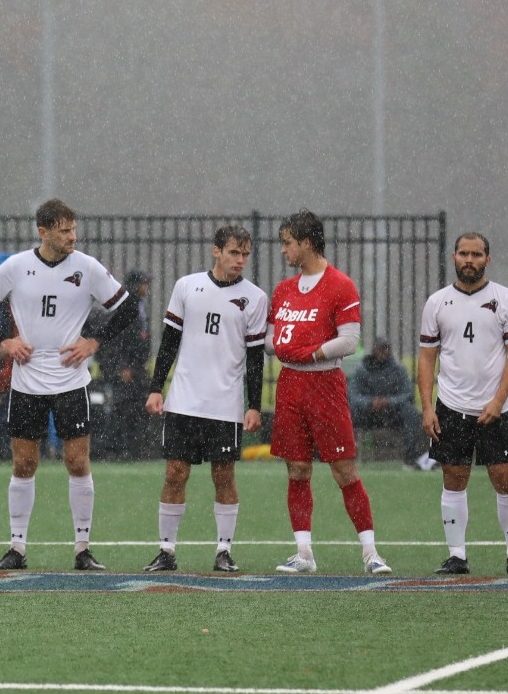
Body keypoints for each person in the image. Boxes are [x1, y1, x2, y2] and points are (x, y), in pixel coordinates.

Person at [0, 197, 137, 571]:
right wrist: (6, 340)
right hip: (27, 383)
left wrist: (93, 341)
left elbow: (127, 308)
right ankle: (17, 548)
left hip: (71, 382)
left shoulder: (87, 268)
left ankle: (82, 548)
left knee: (77, 462)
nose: (72, 236)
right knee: (24, 464)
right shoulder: (17, 267)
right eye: (64, 231)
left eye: (74, 229)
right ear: (43, 232)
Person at [266, 208, 391, 575]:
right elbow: (276, 341)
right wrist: (277, 348)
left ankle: (370, 553)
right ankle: (303, 553)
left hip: (325, 384)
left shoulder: (340, 285)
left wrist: (314, 352)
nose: (284, 251)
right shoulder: (284, 290)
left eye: (287, 243)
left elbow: (350, 340)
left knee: (344, 470)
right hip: (290, 384)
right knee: (298, 468)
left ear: (306, 242)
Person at [141, 225, 268, 573]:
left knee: (223, 476)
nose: (240, 260)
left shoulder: (255, 298)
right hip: (183, 400)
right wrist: (156, 387)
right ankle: (166, 551)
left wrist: (253, 404)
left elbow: (256, 357)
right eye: (233, 253)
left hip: (225, 405)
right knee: (174, 473)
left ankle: (223, 551)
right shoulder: (187, 286)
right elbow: (169, 342)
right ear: (216, 251)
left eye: (245, 254)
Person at [417, 232, 508, 575]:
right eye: (464, 254)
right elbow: (426, 359)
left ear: (488, 259)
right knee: (454, 476)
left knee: (504, 477)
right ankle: (457, 555)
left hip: (494, 408)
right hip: (450, 406)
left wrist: (498, 401)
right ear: (453, 257)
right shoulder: (437, 302)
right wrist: (427, 406)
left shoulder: (506, 299)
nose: (470, 260)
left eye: (477, 254)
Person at [94, 268, 153, 460]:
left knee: (136, 408)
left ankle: (133, 448)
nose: (147, 287)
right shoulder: (125, 306)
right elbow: (113, 340)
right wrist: (121, 367)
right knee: (121, 409)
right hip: (126, 370)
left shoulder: (139, 306)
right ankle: (112, 449)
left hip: (136, 368)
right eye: (144, 283)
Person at [349, 337, 433, 469]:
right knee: (350, 411)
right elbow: (353, 396)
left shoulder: (398, 370)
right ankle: (346, 456)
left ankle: (410, 459)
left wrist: (388, 402)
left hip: (392, 414)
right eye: (379, 349)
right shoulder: (362, 370)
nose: (382, 352)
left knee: (410, 412)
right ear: (373, 350)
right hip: (368, 414)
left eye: (385, 349)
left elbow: (407, 394)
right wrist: (371, 402)